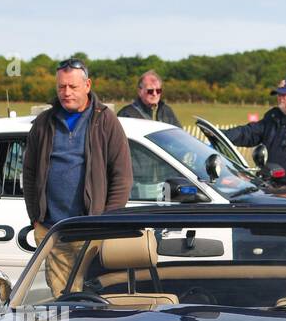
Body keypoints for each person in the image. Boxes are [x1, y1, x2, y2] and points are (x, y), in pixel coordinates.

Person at [23, 58, 132, 295]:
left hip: (93, 231)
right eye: (61, 87)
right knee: (63, 299)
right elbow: (29, 172)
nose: (66, 92)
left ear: (87, 85)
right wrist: (36, 217)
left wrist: (106, 222)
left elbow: (122, 177)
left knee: (96, 297)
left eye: (72, 86)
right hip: (54, 229)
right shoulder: (44, 122)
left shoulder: (105, 121)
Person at [116, 71, 180, 126]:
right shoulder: (126, 114)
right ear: (140, 91)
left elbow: (179, 134)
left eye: (158, 91)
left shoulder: (167, 111)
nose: (155, 94)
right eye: (150, 91)